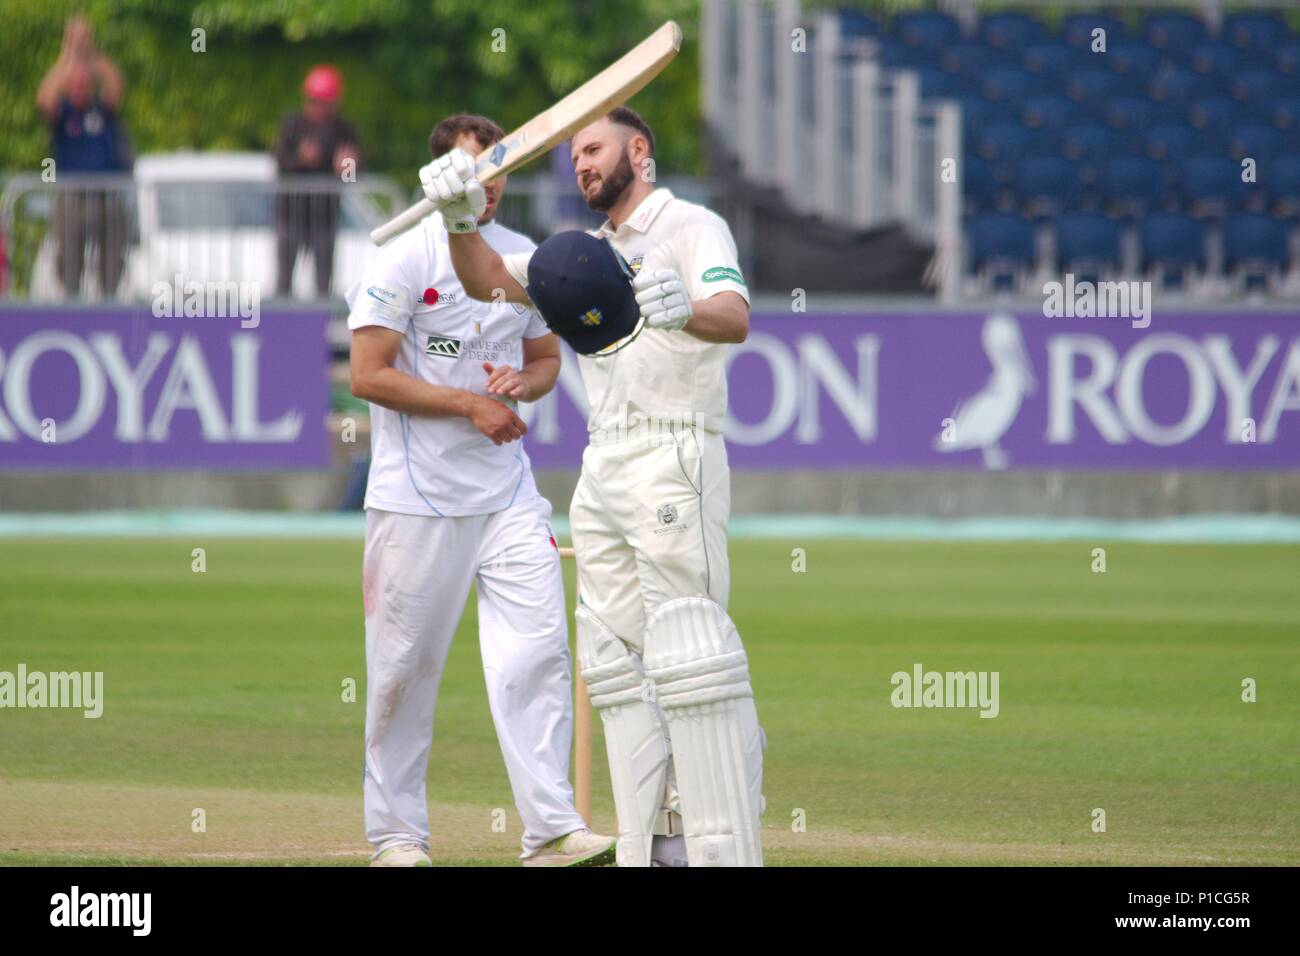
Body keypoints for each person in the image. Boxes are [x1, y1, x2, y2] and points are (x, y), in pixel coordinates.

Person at [416, 106, 765, 867]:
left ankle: (722, 849)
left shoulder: (691, 225)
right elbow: (486, 279)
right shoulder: (579, 257)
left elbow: (734, 317)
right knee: (614, 662)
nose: (581, 165)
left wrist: (686, 309)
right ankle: (651, 844)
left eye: (593, 149)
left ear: (639, 150)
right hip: (602, 460)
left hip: (675, 447)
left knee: (691, 652)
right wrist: (455, 217)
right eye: (574, 155)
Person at [346, 113, 616, 868]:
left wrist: (518, 384)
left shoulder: (524, 258)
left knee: (536, 654)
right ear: (443, 174)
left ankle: (552, 830)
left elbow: (545, 363)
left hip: (506, 495)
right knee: (403, 672)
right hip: (415, 500)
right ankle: (397, 837)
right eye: (474, 171)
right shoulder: (402, 259)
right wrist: (470, 404)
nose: (489, 185)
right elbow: (367, 375)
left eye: (497, 170)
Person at [36, 14, 131, 298]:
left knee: (113, 259)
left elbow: (115, 85)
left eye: (84, 82)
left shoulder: (100, 109)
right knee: (69, 259)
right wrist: (68, 53)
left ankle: (109, 304)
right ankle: (72, 303)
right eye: (74, 82)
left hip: (106, 195)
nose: (80, 86)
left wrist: (90, 51)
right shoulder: (64, 113)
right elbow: (44, 98)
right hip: (72, 195)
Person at [274, 65, 359, 297]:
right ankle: (279, 327)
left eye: (322, 102)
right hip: (291, 215)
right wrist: (300, 159)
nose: (316, 107)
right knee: (284, 280)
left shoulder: (343, 130)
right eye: (312, 101)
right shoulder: (292, 125)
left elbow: (351, 175)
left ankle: (320, 328)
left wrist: (347, 167)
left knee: (323, 281)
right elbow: (279, 163)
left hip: (324, 218)